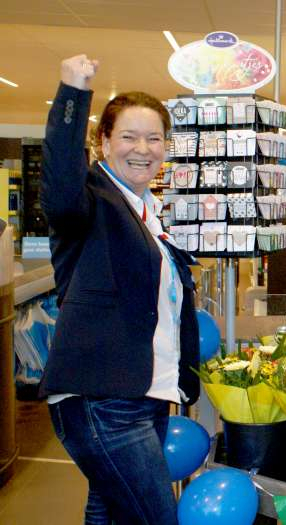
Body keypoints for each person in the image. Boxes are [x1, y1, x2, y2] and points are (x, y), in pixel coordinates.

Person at [39, 55, 200, 525]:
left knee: (108, 512)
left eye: (154, 138)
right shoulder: (91, 198)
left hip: (142, 394)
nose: (142, 149)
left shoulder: (146, 210)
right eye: (128, 137)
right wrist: (72, 92)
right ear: (104, 141)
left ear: (166, 146)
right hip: (103, 399)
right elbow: (61, 187)